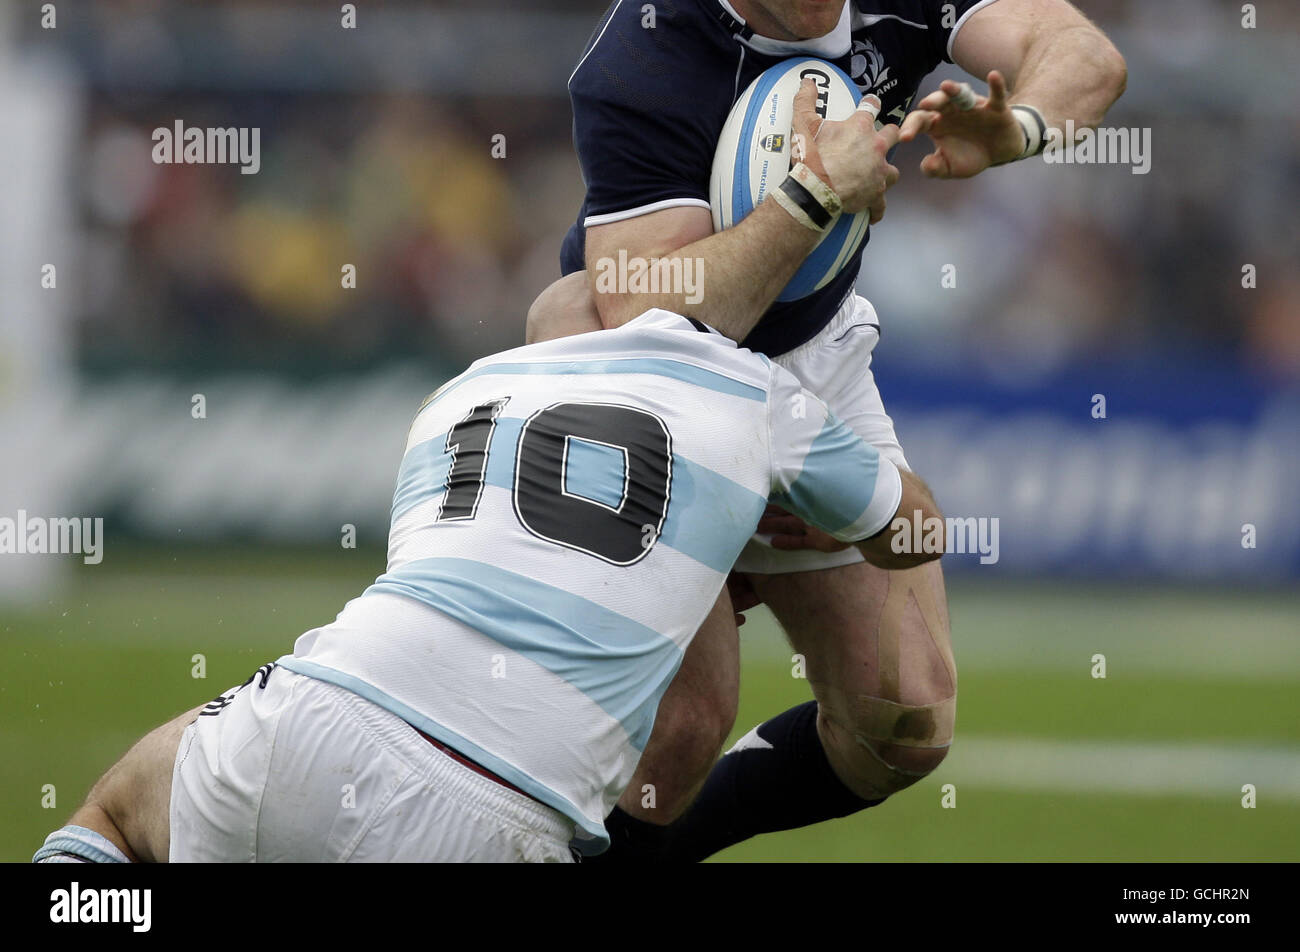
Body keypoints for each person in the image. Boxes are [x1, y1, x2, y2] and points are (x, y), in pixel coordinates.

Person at [535, 0, 1127, 862]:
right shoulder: (643, 59)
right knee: (680, 729)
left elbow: (1085, 54)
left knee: (904, 722)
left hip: (808, 354)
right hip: (648, 377)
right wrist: (812, 195)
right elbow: (644, 302)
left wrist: (1025, 127)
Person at [33, 263, 925, 864]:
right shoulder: (753, 393)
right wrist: (773, 537)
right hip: (494, 820)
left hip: (306, 725)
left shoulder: (459, 393)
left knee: (110, 823)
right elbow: (913, 531)